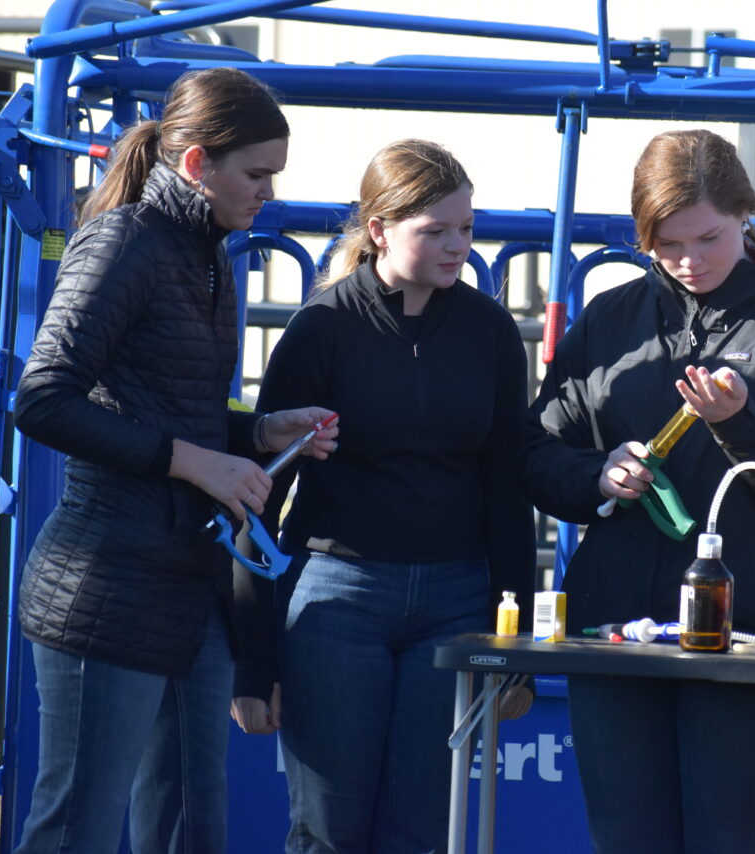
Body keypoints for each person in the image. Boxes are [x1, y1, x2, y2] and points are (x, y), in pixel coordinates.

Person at [12, 67, 338, 854]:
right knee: (77, 828)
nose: (269, 194)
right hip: (108, 582)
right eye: (256, 175)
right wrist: (196, 462)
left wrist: (256, 435)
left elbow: (168, 405)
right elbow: (42, 400)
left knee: (195, 820)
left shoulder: (206, 254)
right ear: (197, 166)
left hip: (184, 582)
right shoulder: (123, 242)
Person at [523, 128, 755, 853]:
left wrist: (744, 426)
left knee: (730, 840)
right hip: (616, 628)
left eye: (707, 238)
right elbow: (534, 452)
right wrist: (597, 474)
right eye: (665, 245)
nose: (688, 261)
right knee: (626, 838)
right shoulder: (611, 319)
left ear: (745, 213)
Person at [230, 138, 536, 853]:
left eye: (466, 226)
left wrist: (513, 637)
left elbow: (505, 488)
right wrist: (254, 661)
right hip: (340, 596)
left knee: (420, 831)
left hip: (457, 598)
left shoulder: (490, 331)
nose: (459, 245)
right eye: (435, 230)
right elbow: (260, 496)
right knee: (329, 829)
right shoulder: (323, 328)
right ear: (378, 230)